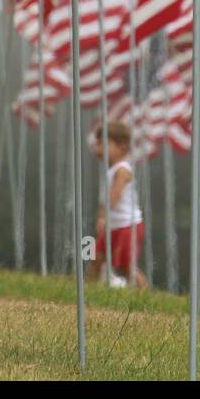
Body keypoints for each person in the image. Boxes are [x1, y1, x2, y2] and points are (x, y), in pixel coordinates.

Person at [87, 121, 146, 289]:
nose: (97, 147)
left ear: (121, 147)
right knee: (94, 257)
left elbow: (115, 194)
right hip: (113, 226)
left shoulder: (123, 170)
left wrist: (103, 216)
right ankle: (88, 292)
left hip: (128, 225)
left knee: (127, 266)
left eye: (102, 143)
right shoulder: (110, 170)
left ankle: (143, 293)